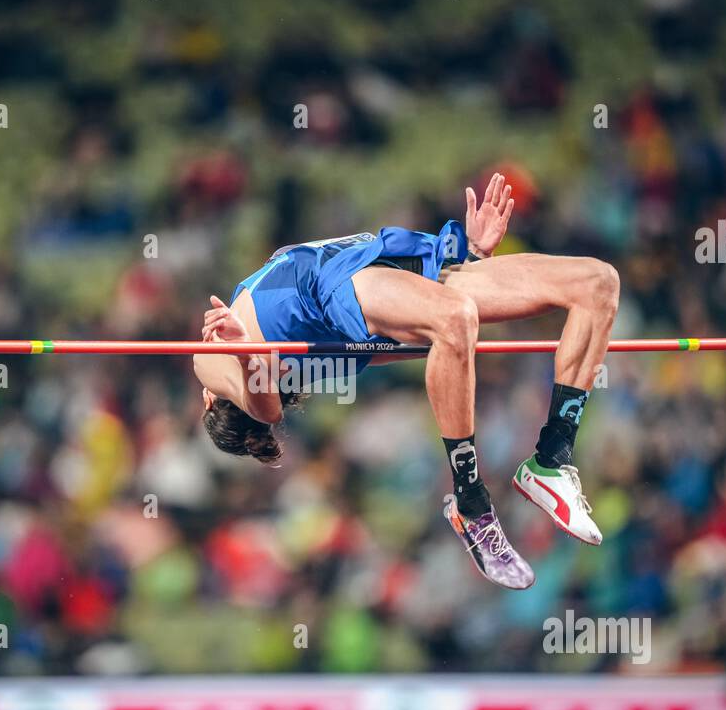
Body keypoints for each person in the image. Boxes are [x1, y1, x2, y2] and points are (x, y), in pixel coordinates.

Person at [194, 174, 619, 589]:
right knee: (456, 318)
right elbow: (264, 409)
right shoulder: (214, 363)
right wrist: (246, 353)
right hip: (341, 284)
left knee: (597, 283)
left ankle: (550, 459)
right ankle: (471, 501)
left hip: (393, 266)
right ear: (212, 402)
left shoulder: (325, 361)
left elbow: (435, 340)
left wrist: (471, 257)